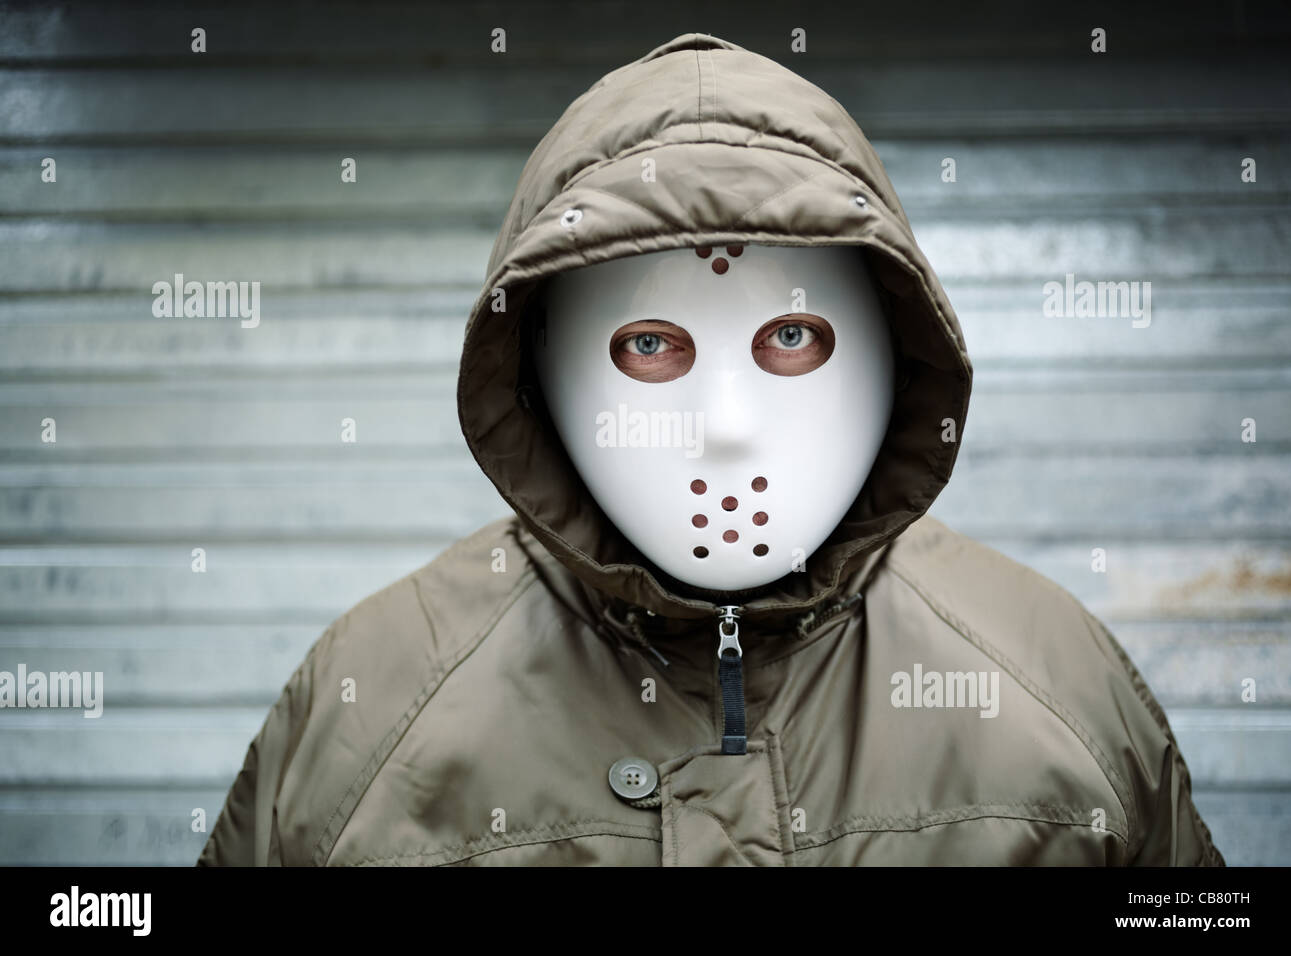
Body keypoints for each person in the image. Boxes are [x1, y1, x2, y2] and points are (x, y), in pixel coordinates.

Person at [197, 32, 1224, 866]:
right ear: (540, 372)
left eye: (789, 336)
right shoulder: (371, 707)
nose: (726, 425)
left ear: (892, 347)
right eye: (649, 344)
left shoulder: (1058, 693)